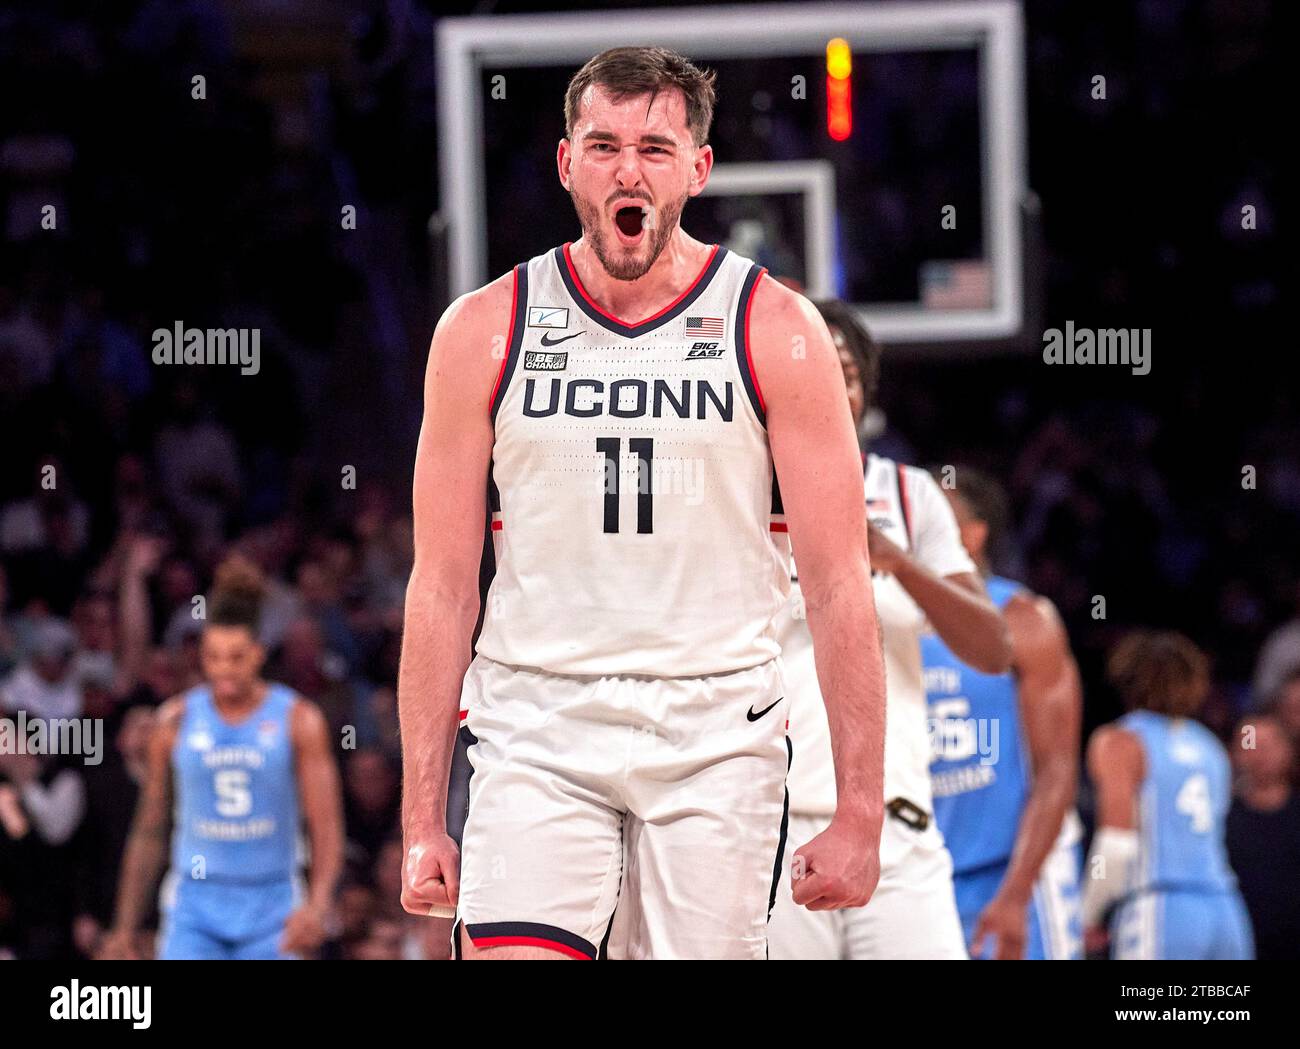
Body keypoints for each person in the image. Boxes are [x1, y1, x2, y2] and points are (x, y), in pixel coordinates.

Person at [398, 47, 888, 960]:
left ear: (698, 169)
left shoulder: (777, 329)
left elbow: (836, 583)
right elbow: (441, 585)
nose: (628, 171)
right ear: (566, 162)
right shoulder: (483, 329)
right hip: (537, 724)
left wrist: (861, 807)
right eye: (604, 146)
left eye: (655, 149)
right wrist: (421, 815)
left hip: (716, 732)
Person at [766, 302, 1010, 960]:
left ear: (865, 392)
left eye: (842, 371)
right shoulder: (734, 490)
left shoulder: (910, 494)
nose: (824, 382)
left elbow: (993, 648)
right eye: (807, 364)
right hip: (770, 827)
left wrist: (897, 560)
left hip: (895, 831)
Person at [102, 556, 344, 960]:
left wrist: (318, 904)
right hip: (194, 907)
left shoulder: (299, 719)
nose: (224, 670)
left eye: (236, 657)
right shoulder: (175, 721)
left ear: (258, 653)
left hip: (274, 903)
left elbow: (326, 825)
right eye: (213, 657)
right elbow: (150, 827)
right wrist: (124, 926)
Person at [924, 467, 1084, 959]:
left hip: (1014, 873)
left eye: (929, 513)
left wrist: (1015, 895)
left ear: (972, 536)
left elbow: (1057, 770)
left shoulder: (1023, 618)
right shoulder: (886, 619)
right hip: (921, 878)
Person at [1083, 630, 1252, 959]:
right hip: (1225, 908)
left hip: (1161, 905)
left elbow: (1116, 844)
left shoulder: (1120, 741)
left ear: (1126, 678)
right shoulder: (1211, 747)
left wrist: (1089, 913)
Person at [1225, 713, 1300, 959]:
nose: (1260, 754)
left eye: (1270, 745)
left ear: (1289, 749)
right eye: (1250, 744)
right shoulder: (1221, 819)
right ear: (1234, 753)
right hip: (1241, 942)